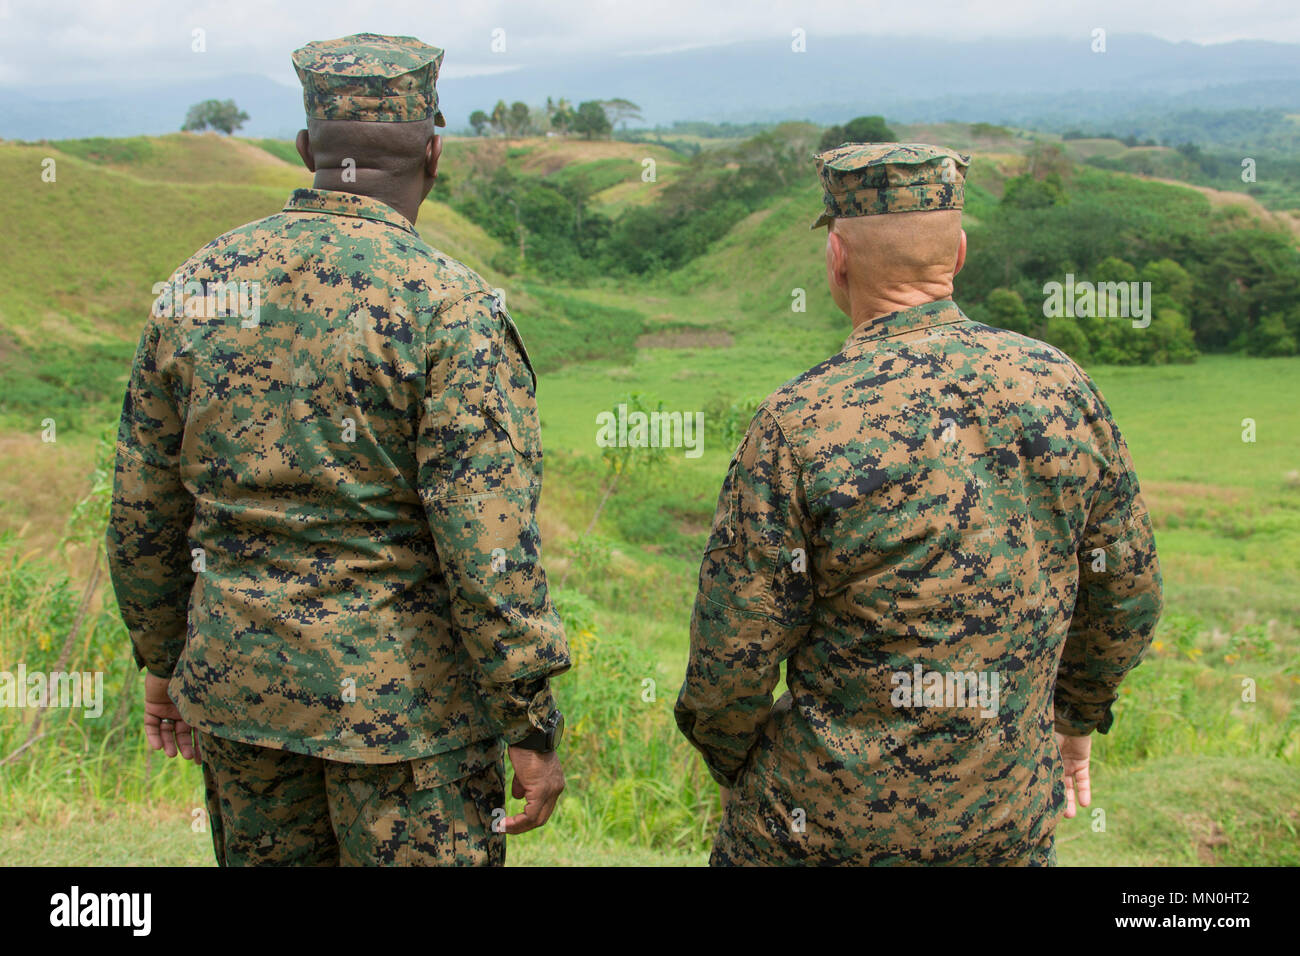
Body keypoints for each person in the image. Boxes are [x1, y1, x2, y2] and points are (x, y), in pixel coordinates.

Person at [105, 33, 569, 866]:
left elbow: (143, 506)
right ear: (433, 153)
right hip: (407, 719)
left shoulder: (200, 285)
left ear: (308, 148)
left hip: (242, 689)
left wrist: (164, 660)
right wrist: (527, 718)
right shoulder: (449, 308)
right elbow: (487, 544)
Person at [675, 142, 1163, 865]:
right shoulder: (1063, 388)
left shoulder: (798, 422)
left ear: (836, 257)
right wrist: (1075, 718)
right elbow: (1128, 594)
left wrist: (740, 767)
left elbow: (728, 667)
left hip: (815, 833)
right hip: (1005, 826)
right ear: (958, 252)